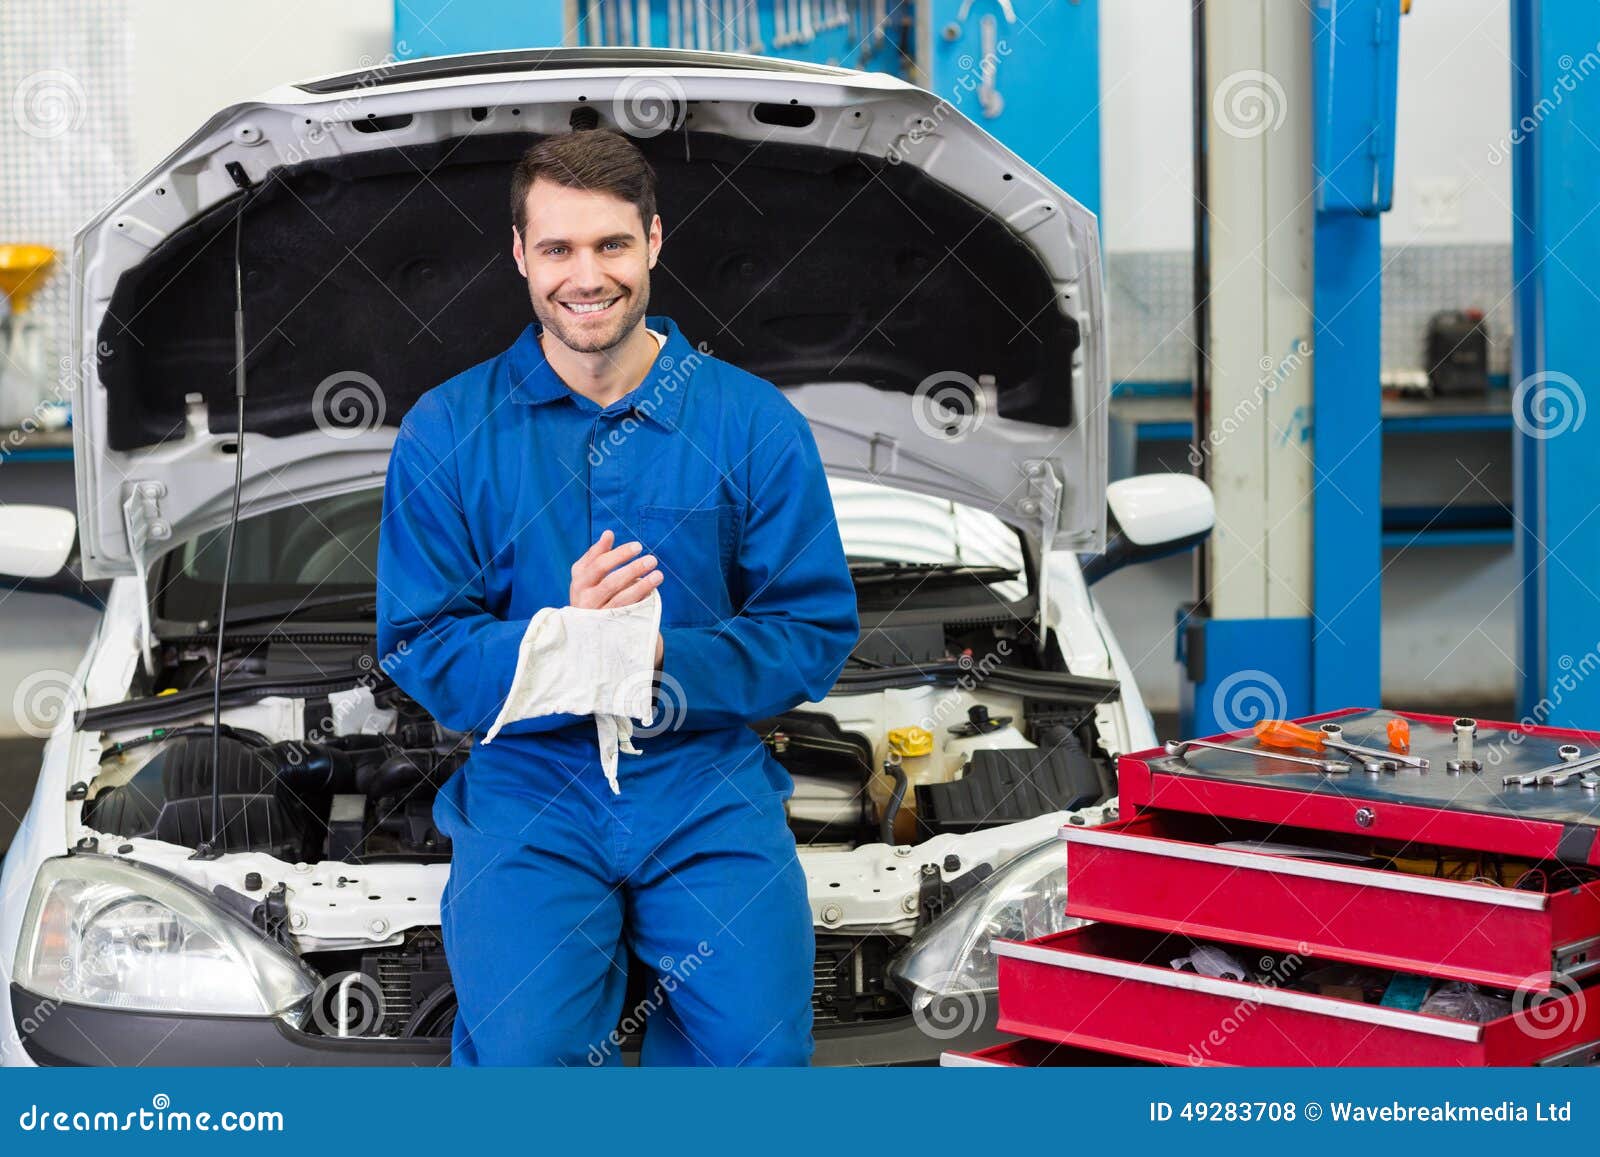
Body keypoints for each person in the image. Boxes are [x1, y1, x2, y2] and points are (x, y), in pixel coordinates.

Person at [375, 125, 859, 1066]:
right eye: (556, 247)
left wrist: (655, 654)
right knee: (525, 1063)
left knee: (759, 1054)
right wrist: (565, 641)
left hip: (704, 779)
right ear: (520, 255)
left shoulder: (752, 423)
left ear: (654, 242)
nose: (584, 275)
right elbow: (420, 642)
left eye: (610, 245)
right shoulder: (447, 430)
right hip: (530, 784)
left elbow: (810, 629)